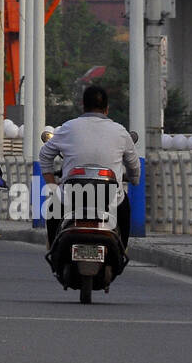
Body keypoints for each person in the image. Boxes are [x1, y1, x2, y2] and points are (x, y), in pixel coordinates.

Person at [38, 84, 140, 250]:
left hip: (73, 194)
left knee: (53, 210)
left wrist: (51, 184)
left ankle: (53, 249)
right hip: (109, 196)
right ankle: (123, 249)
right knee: (124, 209)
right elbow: (133, 164)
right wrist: (134, 179)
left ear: (83, 106)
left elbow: (44, 155)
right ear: (106, 109)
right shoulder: (120, 131)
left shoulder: (68, 127)